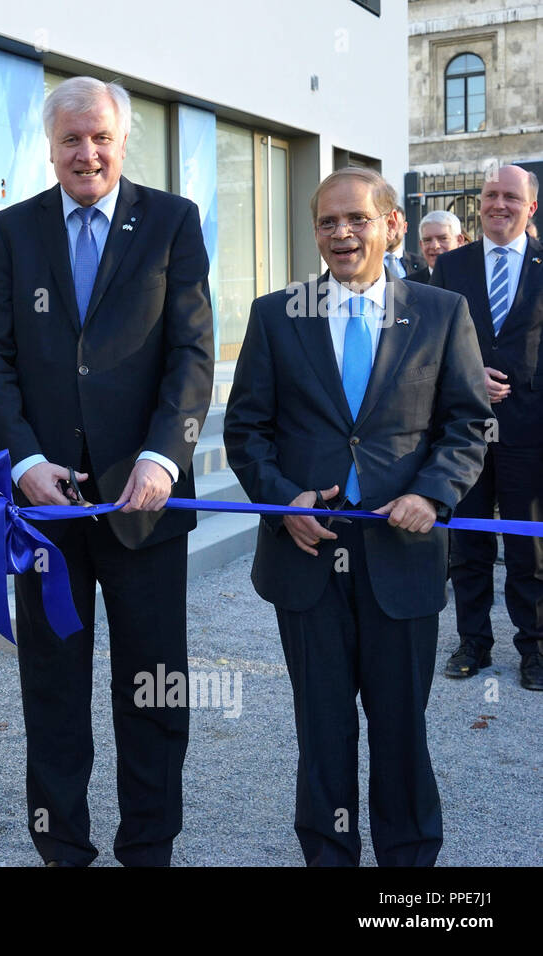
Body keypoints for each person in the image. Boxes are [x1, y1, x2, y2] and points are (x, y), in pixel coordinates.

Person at [0, 76, 214, 867]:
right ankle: (62, 849)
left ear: (122, 139)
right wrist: (27, 462)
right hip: (45, 510)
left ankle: (149, 849)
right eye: (71, 139)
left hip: (144, 504)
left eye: (100, 137)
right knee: (53, 692)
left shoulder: (173, 222)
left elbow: (192, 354)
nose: (87, 152)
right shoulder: (13, 230)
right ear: (50, 146)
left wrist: (162, 457)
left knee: (152, 691)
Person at [224, 166, 490, 865]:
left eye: (358, 219)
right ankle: (328, 855)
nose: (342, 233)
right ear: (315, 232)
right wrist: (283, 501)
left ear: (392, 225)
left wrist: (432, 494)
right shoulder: (276, 315)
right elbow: (246, 429)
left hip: (401, 559)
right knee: (323, 729)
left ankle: (407, 866)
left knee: (401, 729)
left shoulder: (439, 312)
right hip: (306, 557)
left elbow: (467, 424)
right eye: (327, 222)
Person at [430, 165, 543, 690]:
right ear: (479, 202)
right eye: (491, 195)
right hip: (464, 430)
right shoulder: (451, 267)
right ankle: (473, 641)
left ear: (531, 207)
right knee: (468, 544)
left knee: (530, 546)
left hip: (531, 433)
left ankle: (535, 649)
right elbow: (430, 343)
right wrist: (468, 373)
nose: (499, 204)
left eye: (511, 197)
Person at [408, 209, 467, 284]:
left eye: (443, 238)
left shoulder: (477, 279)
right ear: (421, 245)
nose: (434, 246)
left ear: (459, 240)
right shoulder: (407, 286)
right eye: (427, 240)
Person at [383, 206, 423, 280]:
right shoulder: (365, 264)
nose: (390, 230)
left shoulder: (422, 264)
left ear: (405, 227)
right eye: (386, 225)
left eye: (395, 225)